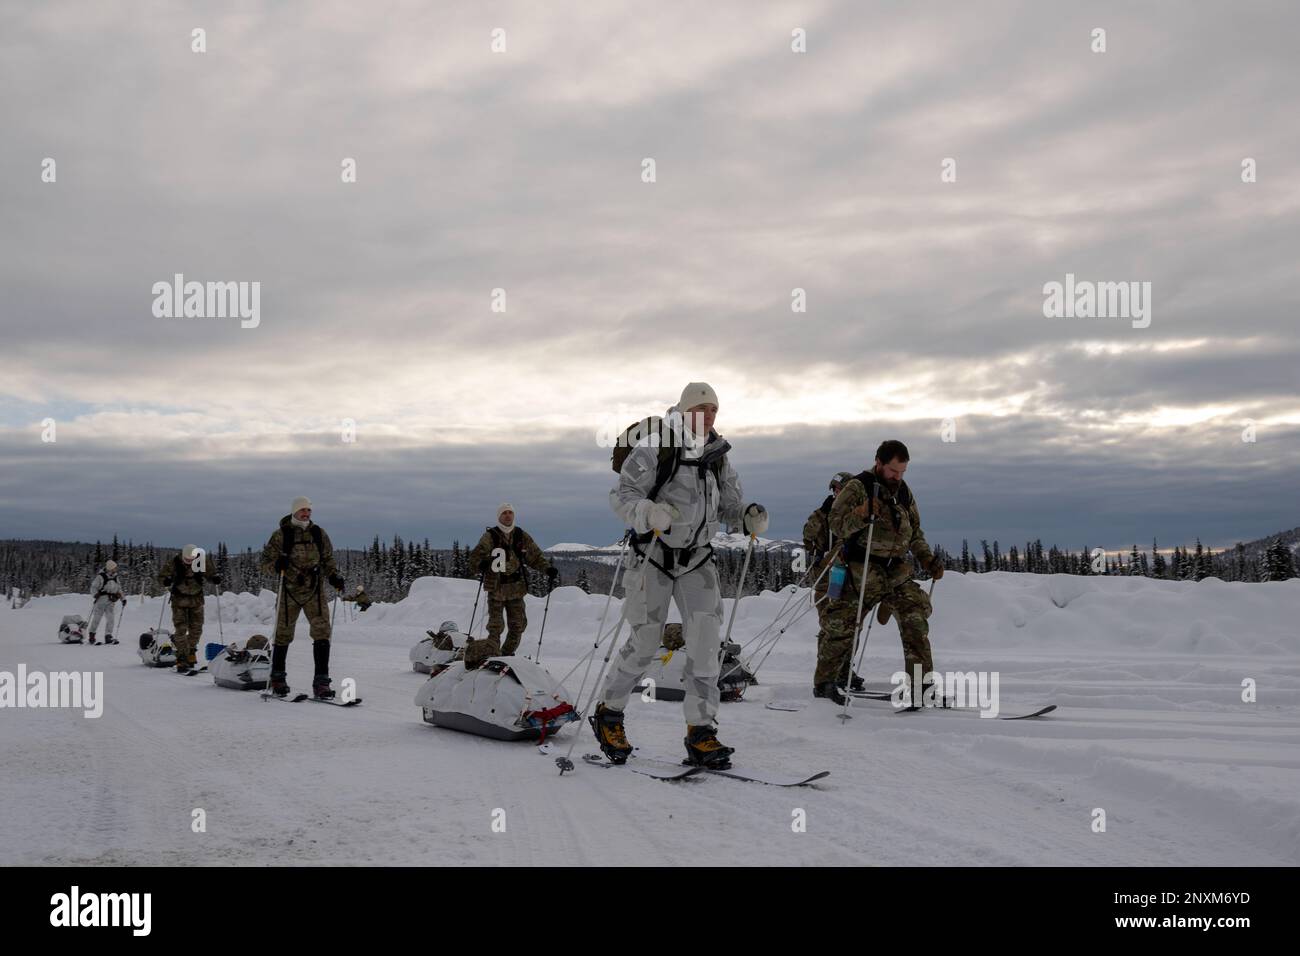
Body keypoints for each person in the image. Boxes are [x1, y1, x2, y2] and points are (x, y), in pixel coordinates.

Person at [591, 382, 768, 768]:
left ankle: (700, 732)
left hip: (698, 559)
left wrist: (746, 517)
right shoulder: (657, 445)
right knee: (644, 643)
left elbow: (729, 506)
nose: (708, 415)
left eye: (713, 409)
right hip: (652, 556)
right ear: (685, 410)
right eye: (701, 408)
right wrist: (648, 513)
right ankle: (609, 714)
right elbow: (623, 494)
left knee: (705, 646)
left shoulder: (718, 455)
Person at [820, 440, 944, 706]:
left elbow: (914, 532)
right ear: (878, 463)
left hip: (895, 570)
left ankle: (922, 686)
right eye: (892, 471)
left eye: (902, 472)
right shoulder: (858, 487)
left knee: (915, 618)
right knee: (841, 626)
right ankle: (825, 683)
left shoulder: (904, 492)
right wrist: (861, 513)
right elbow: (836, 524)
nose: (897, 477)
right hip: (860, 569)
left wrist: (926, 558)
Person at [259, 496, 345, 698]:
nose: (306, 513)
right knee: (283, 633)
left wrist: (333, 576)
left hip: (314, 590)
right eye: (302, 510)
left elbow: (327, 559)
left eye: (308, 510)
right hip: (289, 591)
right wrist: (276, 565)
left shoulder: (318, 533)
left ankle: (321, 682)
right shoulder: (281, 535)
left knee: (322, 632)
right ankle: (278, 679)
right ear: (294, 512)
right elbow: (264, 563)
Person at [466, 504, 558, 657]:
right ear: (499, 517)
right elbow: (475, 558)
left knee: (518, 625)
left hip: (516, 588)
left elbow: (535, 556)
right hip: (496, 588)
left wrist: (547, 569)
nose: (508, 515)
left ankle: (506, 655)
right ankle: (492, 656)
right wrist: (481, 564)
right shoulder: (490, 536)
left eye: (510, 513)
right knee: (495, 627)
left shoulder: (521, 535)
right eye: (504, 513)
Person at [802, 472, 861, 694]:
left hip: (850, 577)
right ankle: (828, 673)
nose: (837, 493)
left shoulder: (856, 514)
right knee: (830, 625)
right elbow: (807, 536)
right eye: (835, 489)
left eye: (841, 489)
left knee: (851, 625)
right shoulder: (824, 513)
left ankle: (845, 670)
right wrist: (822, 515)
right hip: (827, 578)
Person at [158, 545, 220, 672]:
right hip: (179, 600)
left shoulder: (202, 562)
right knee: (181, 629)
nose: (189, 562)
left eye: (192, 560)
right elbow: (161, 576)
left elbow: (210, 574)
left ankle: (191, 651)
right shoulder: (174, 562)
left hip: (196, 600)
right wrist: (166, 581)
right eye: (187, 560)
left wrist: (214, 578)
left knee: (196, 629)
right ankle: (181, 657)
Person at [87, 559, 126, 645]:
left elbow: (119, 589)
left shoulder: (115, 577)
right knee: (97, 618)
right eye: (114, 567)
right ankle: (92, 634)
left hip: (111, 600)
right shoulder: (100, 576)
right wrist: (95, 594)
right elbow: (93, 587)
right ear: (110, 568)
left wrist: (123, 599)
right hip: (101, 600)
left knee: (111, 619)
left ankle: (108, 636)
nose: (116, 569)